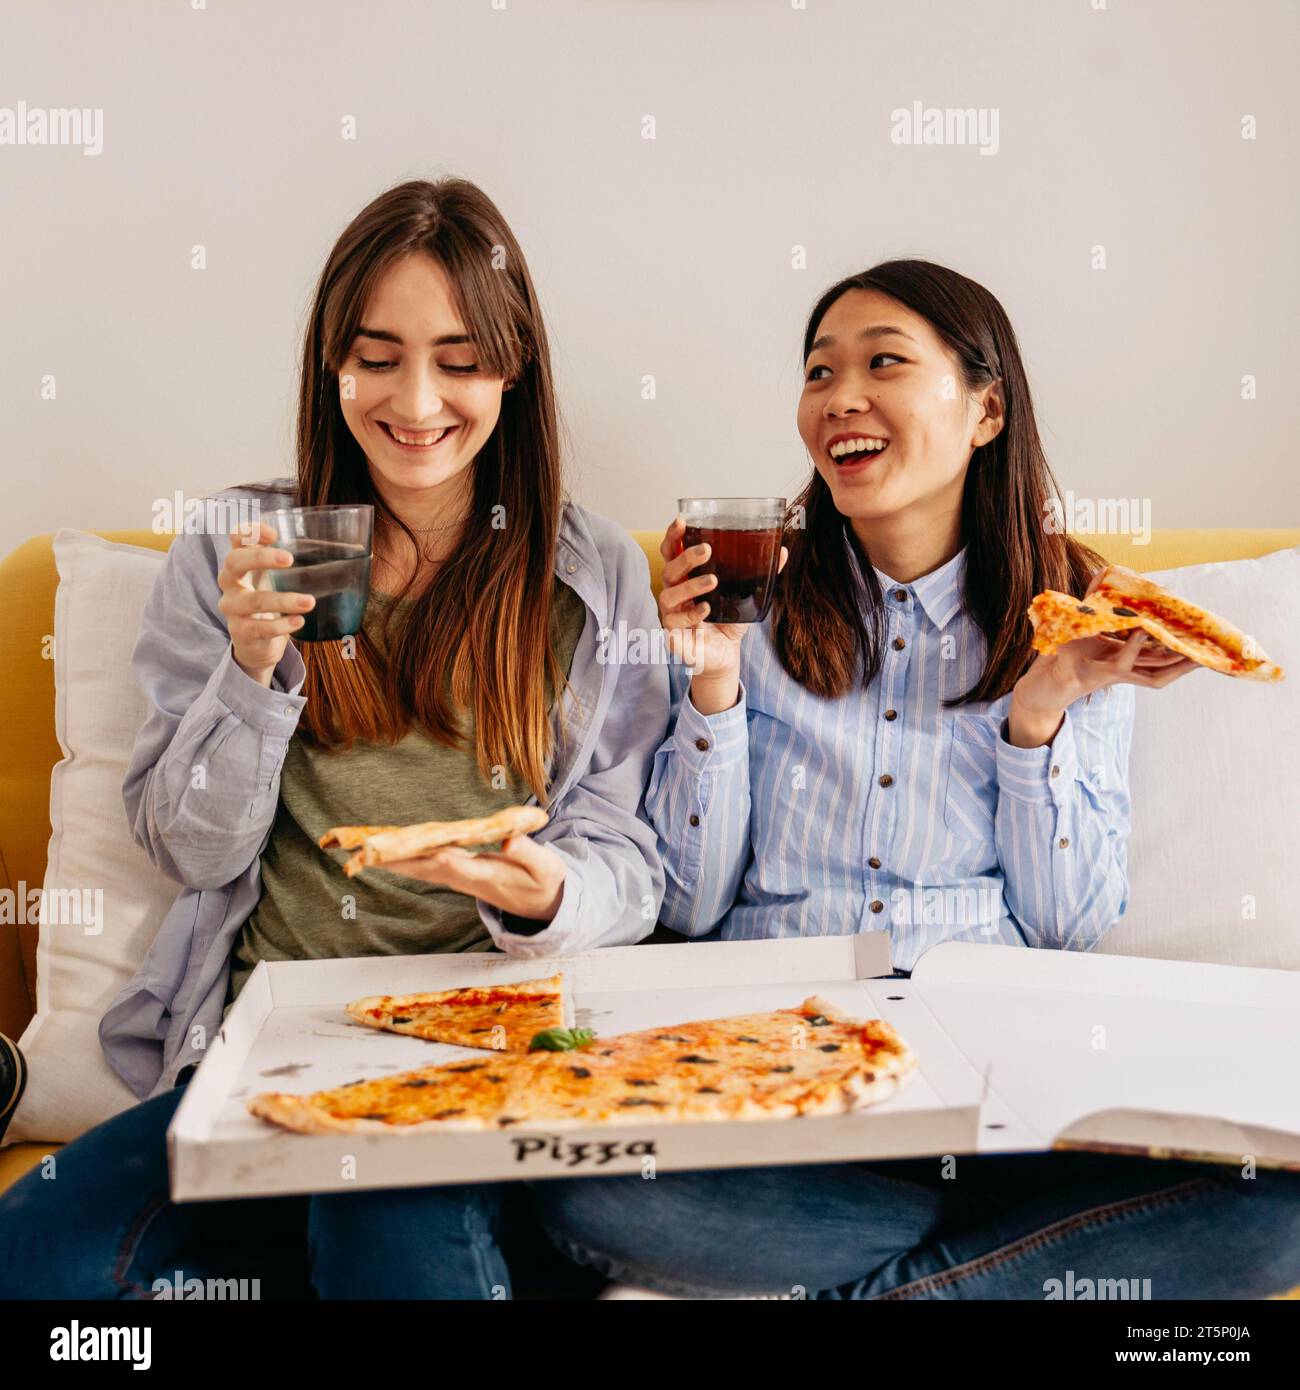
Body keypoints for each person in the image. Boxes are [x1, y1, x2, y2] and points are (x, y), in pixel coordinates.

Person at [528, 259, 1300, 1299]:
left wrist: (1038, 715)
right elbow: (692, 901)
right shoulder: (743, 600)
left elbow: (1069, 927)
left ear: (985, 409)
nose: (839, 396)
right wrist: (710, 687)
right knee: (589, 1195)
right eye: (818, 371)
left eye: (882, 362)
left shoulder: (1075, 611)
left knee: (1272, 1215)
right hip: (786, 1104)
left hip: (1004, 1102)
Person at [0, 178, 667, 1300]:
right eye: (379, 354)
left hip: (471, 1052)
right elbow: (191, 853)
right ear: (332, 363)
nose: (416, 400)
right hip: (260, 1048)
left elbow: (633, 862)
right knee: (32, 1264)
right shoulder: (234, 543)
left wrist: (545, 895)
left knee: (389, 1240)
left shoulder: (586, 573)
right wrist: (252, 672)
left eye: (459, 359)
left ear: (514, 369)